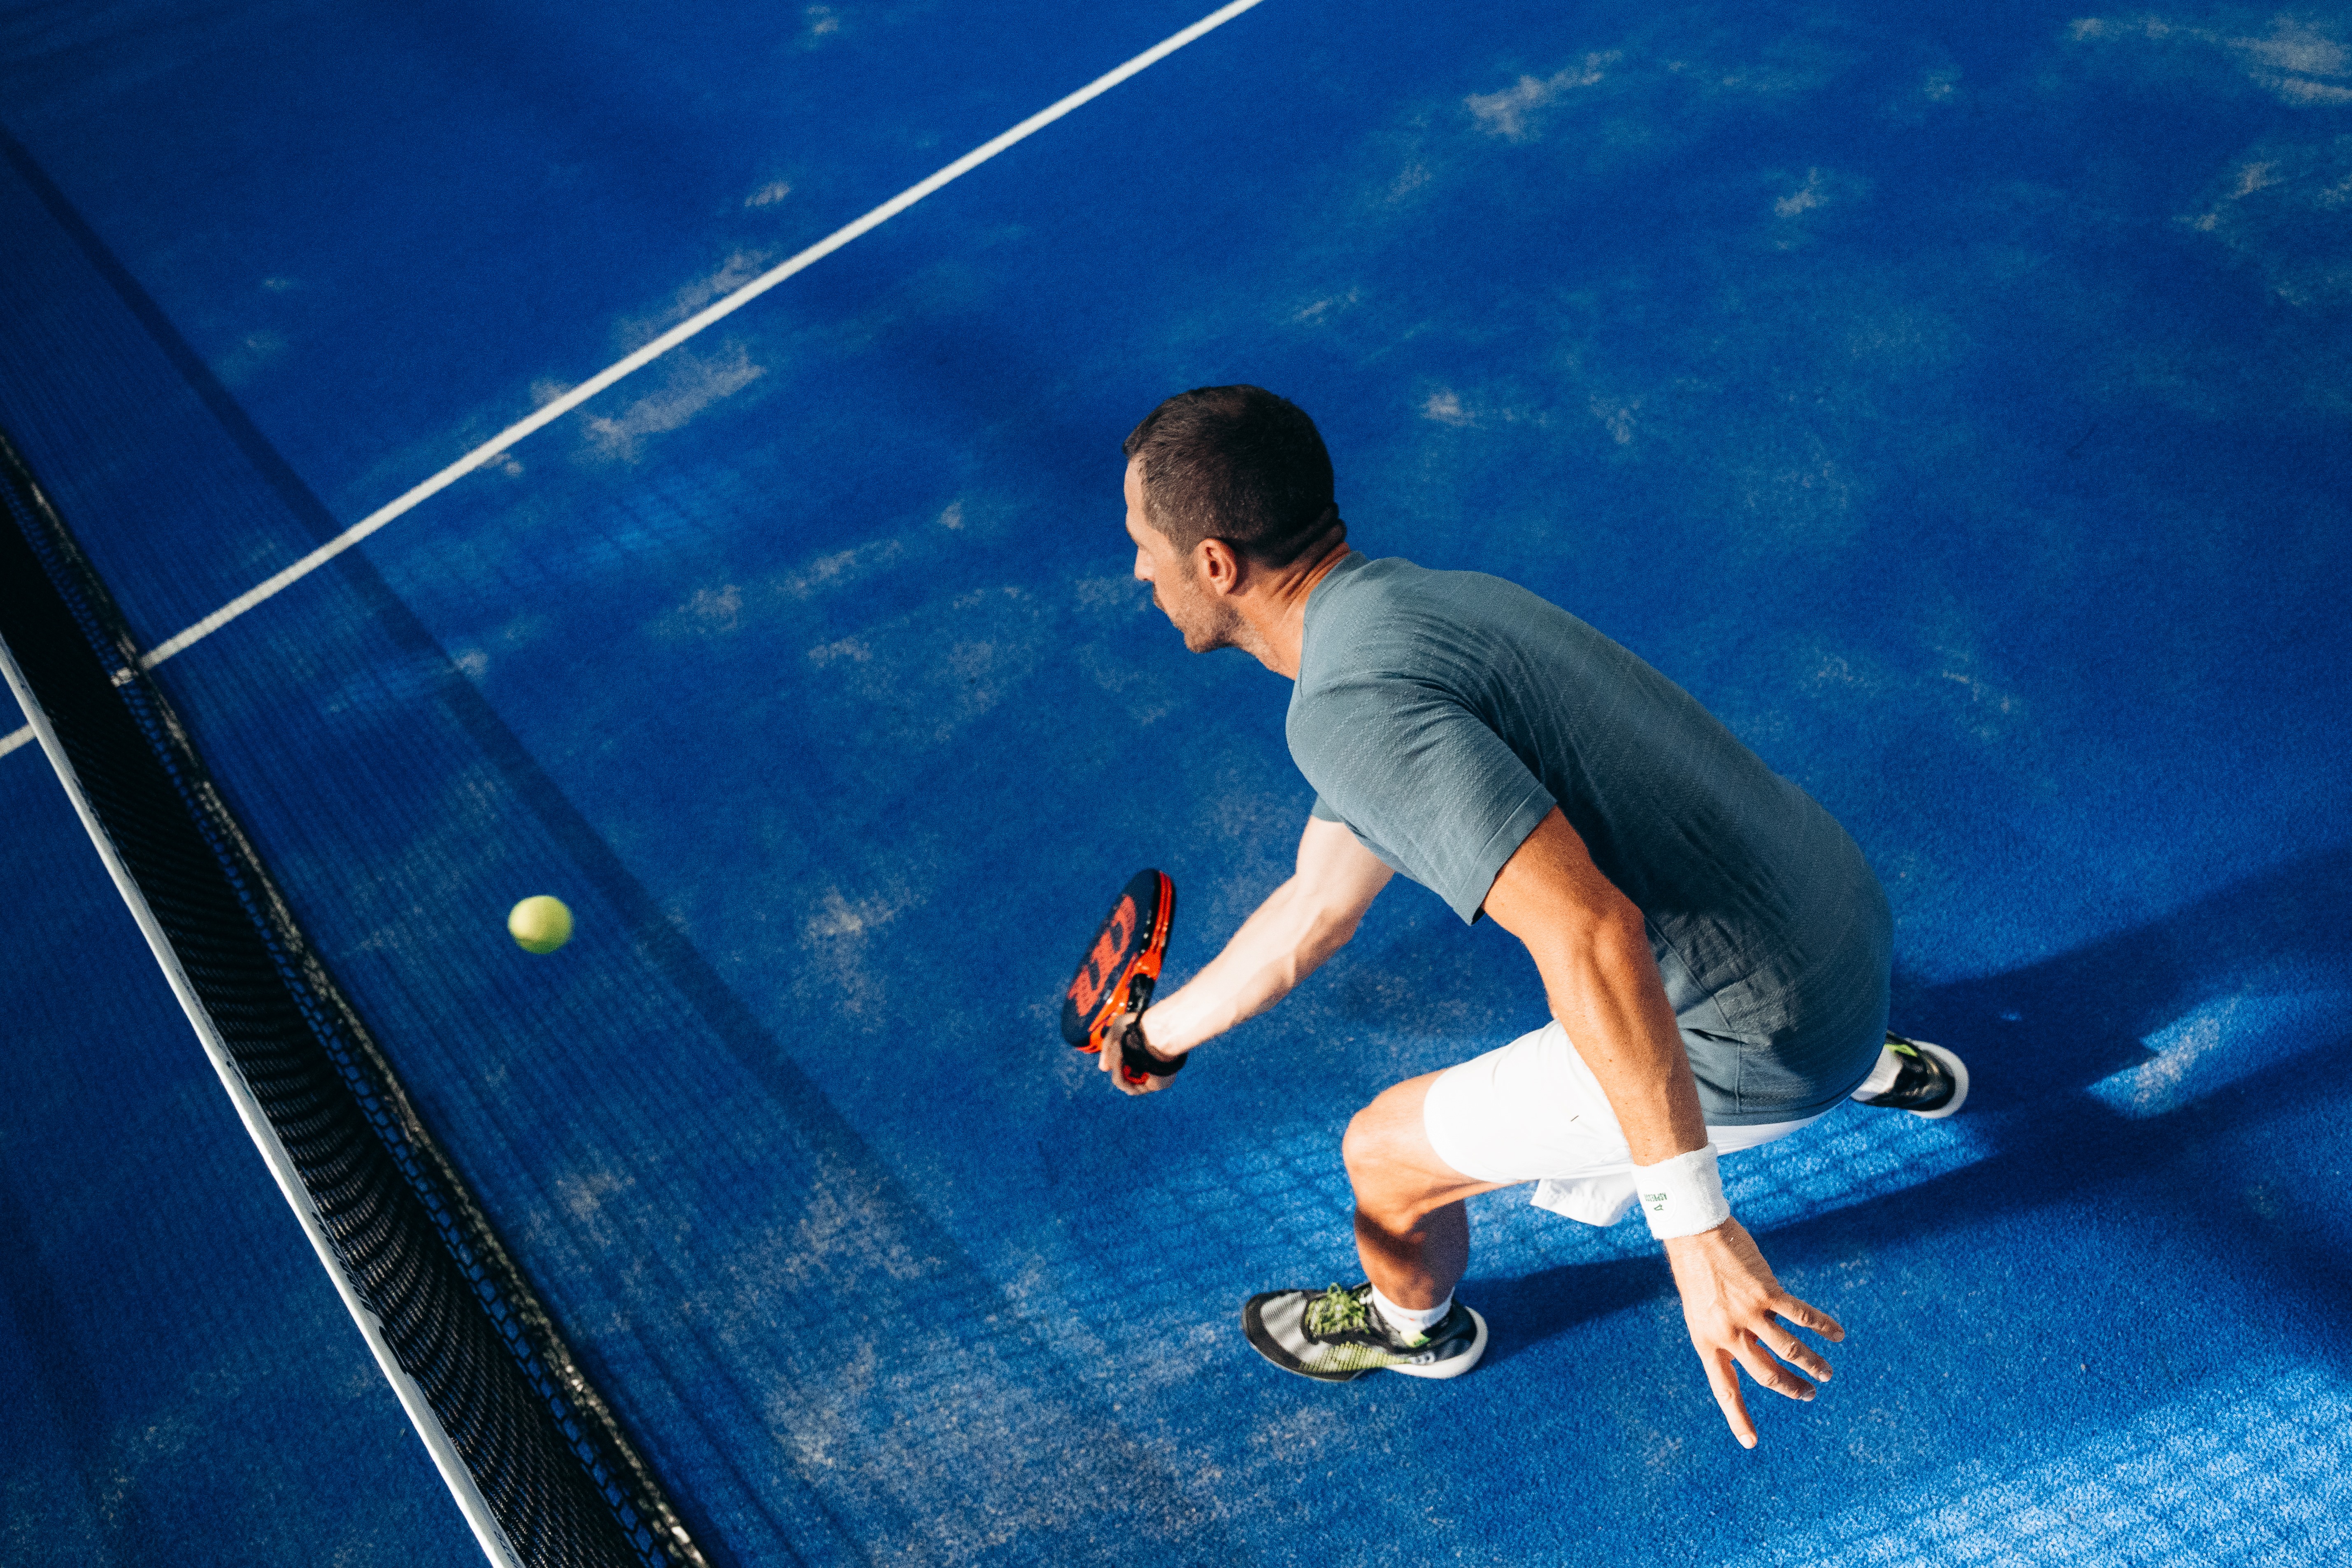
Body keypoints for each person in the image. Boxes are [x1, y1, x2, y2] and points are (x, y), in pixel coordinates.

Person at [1102, 384, 1968, 1447]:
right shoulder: (1404, 603)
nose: (1138, 569)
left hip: (1771, 1034)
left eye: (1147, 544)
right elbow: (1315, 910)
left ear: (1217, 565)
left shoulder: (1344, 708)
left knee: (1379, 1156)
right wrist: (1155, 1035)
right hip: (1836, 910)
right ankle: (1858, 1051)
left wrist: (1694, 1224)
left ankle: (1413, 1326)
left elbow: (1591, 933)